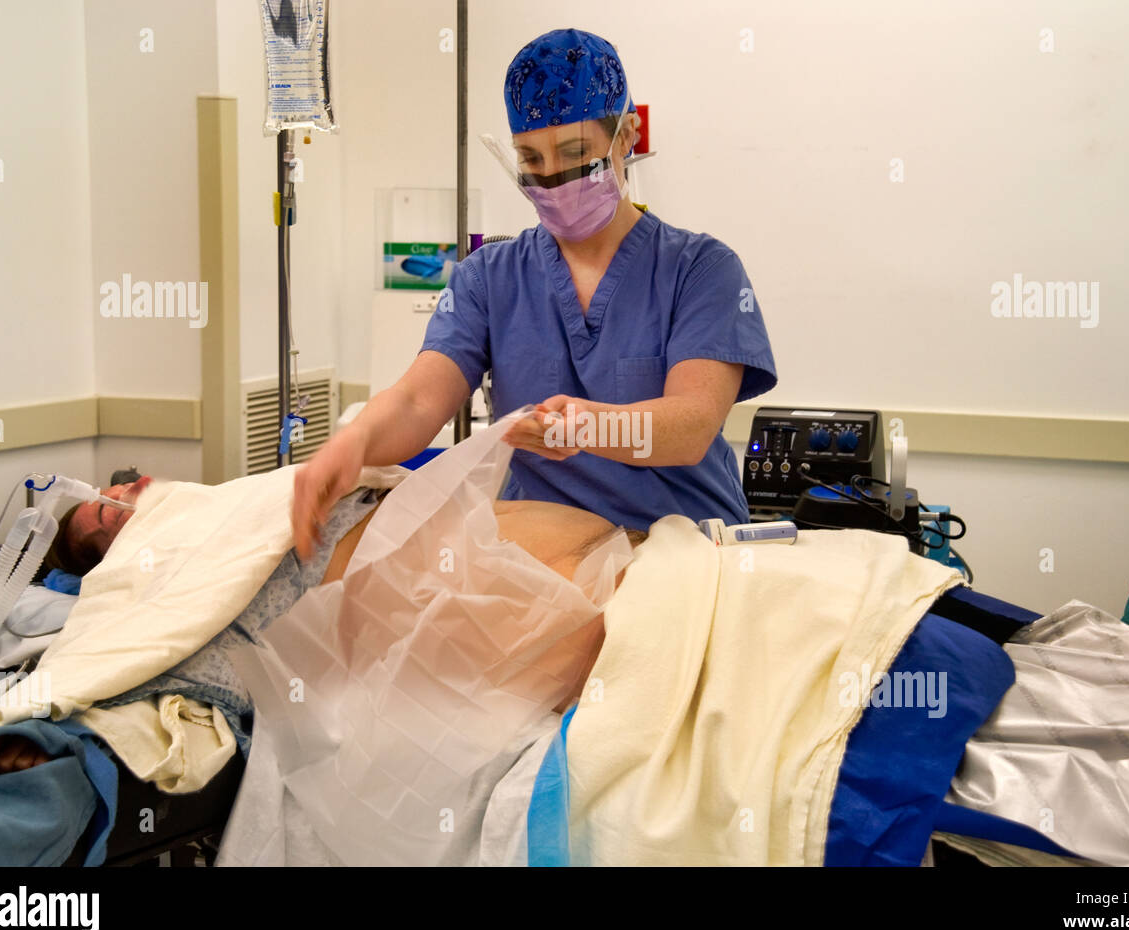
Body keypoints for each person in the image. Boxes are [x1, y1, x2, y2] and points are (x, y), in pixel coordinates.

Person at [291, 27, 777, 561]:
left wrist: (591, 426)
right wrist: (352, 444)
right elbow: (416, 399)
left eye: (575, 152)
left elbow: (690, 425)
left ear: (627, 136)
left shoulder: (702, 271)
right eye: (531, 159)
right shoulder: (487, 278)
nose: (553, 178)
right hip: (544, 555)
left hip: (680, 549)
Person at [0, 478, 646, 778]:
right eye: (102, 530)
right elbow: (148, 639)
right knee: (632, 636)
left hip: (437, 529)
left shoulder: (235, 500)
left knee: (648, 580)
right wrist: (44, 719)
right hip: (416, 596)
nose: (113, 510)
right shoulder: (159, 578)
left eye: (111, 501)